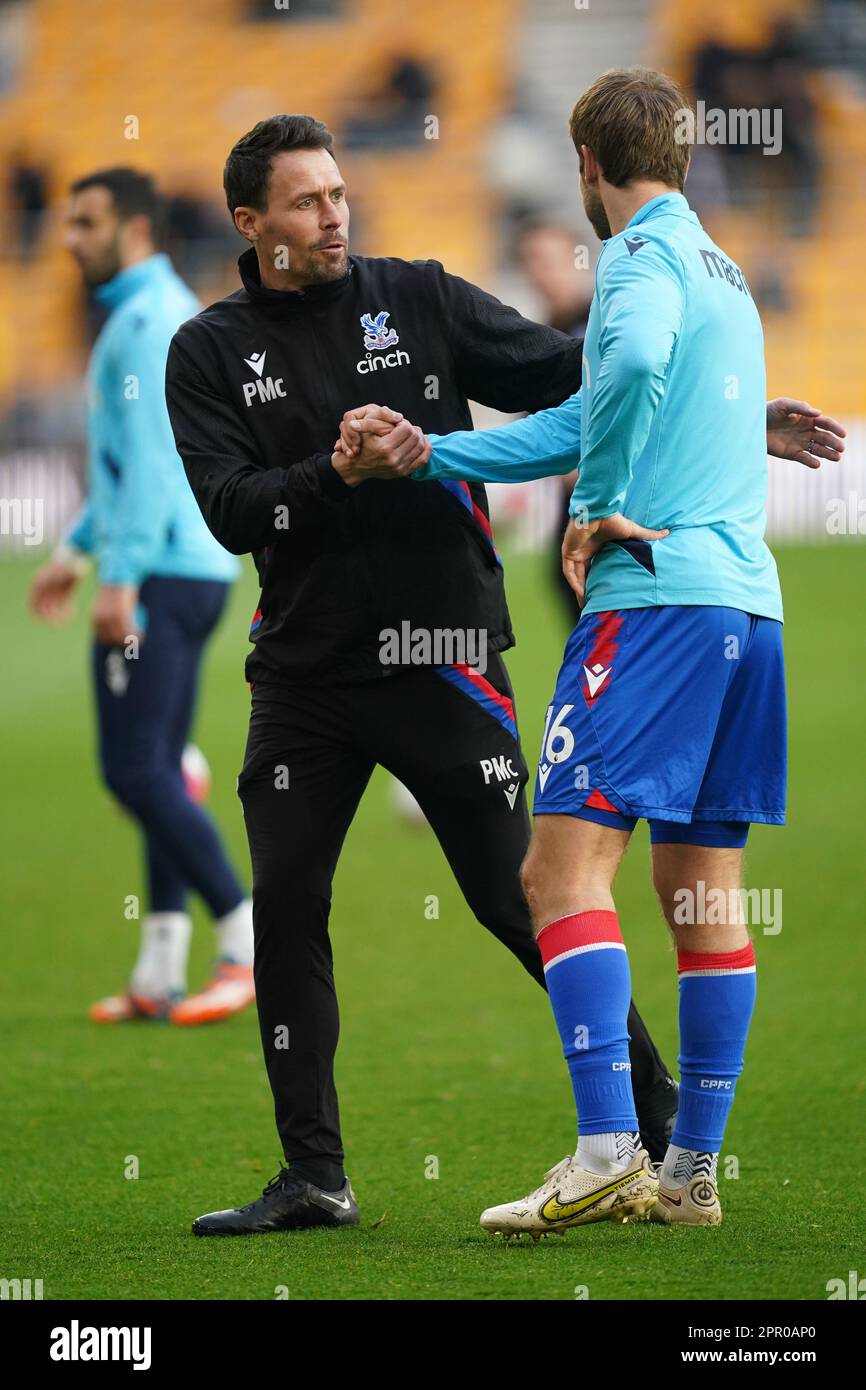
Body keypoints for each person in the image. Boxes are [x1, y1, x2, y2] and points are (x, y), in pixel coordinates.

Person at [163, 114, 684, 1238]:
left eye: (338, 192)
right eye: (305, 202)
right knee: (287, 912)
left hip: (443, 659)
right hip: (301, 676)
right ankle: (314, 1175)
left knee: (519, 896)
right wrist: (335, 471)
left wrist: (703, 386)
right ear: (250, 223)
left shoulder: (419, 296)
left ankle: (656, 1116)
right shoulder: (207, 350)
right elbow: (229, 512)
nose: (333, 214)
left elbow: (564, 367)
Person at [346, 67, 845, 1235]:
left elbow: (619, 376)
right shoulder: (717, 264)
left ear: (585, 164)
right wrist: (436, 456)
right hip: (745, 612)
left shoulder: (631, 258)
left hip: (655, 607)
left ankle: (606, 1147)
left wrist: (594, 503)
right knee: (699, 889)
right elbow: (593, 403)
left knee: (556, 876)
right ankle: (689, 1175)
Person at [29, 168, 255, 1027]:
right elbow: (127, 467)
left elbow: (161, 466)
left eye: (82, 222)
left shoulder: (146, 322)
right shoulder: (144, 314)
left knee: (133, 769)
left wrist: (117, 574)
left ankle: (242, 941)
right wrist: (74, 549)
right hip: (183, 564)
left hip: (163, 570)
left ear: (130, 229)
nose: (67, 238)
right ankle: (159, 968)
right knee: (154, 766)